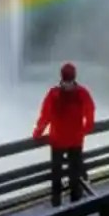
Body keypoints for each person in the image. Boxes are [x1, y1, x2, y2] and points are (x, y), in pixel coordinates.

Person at [32, 62, 96, 207]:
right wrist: (84, 130)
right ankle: (75, 206)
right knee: (75, 176)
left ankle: (56, 206)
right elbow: (90, 113)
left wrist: (37, 133)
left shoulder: (53, 94)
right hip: (75, 141)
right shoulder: (82, 93)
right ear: (75, 76)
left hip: (57, 141)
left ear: (61, 76)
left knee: (56, 176)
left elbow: (45, 116)